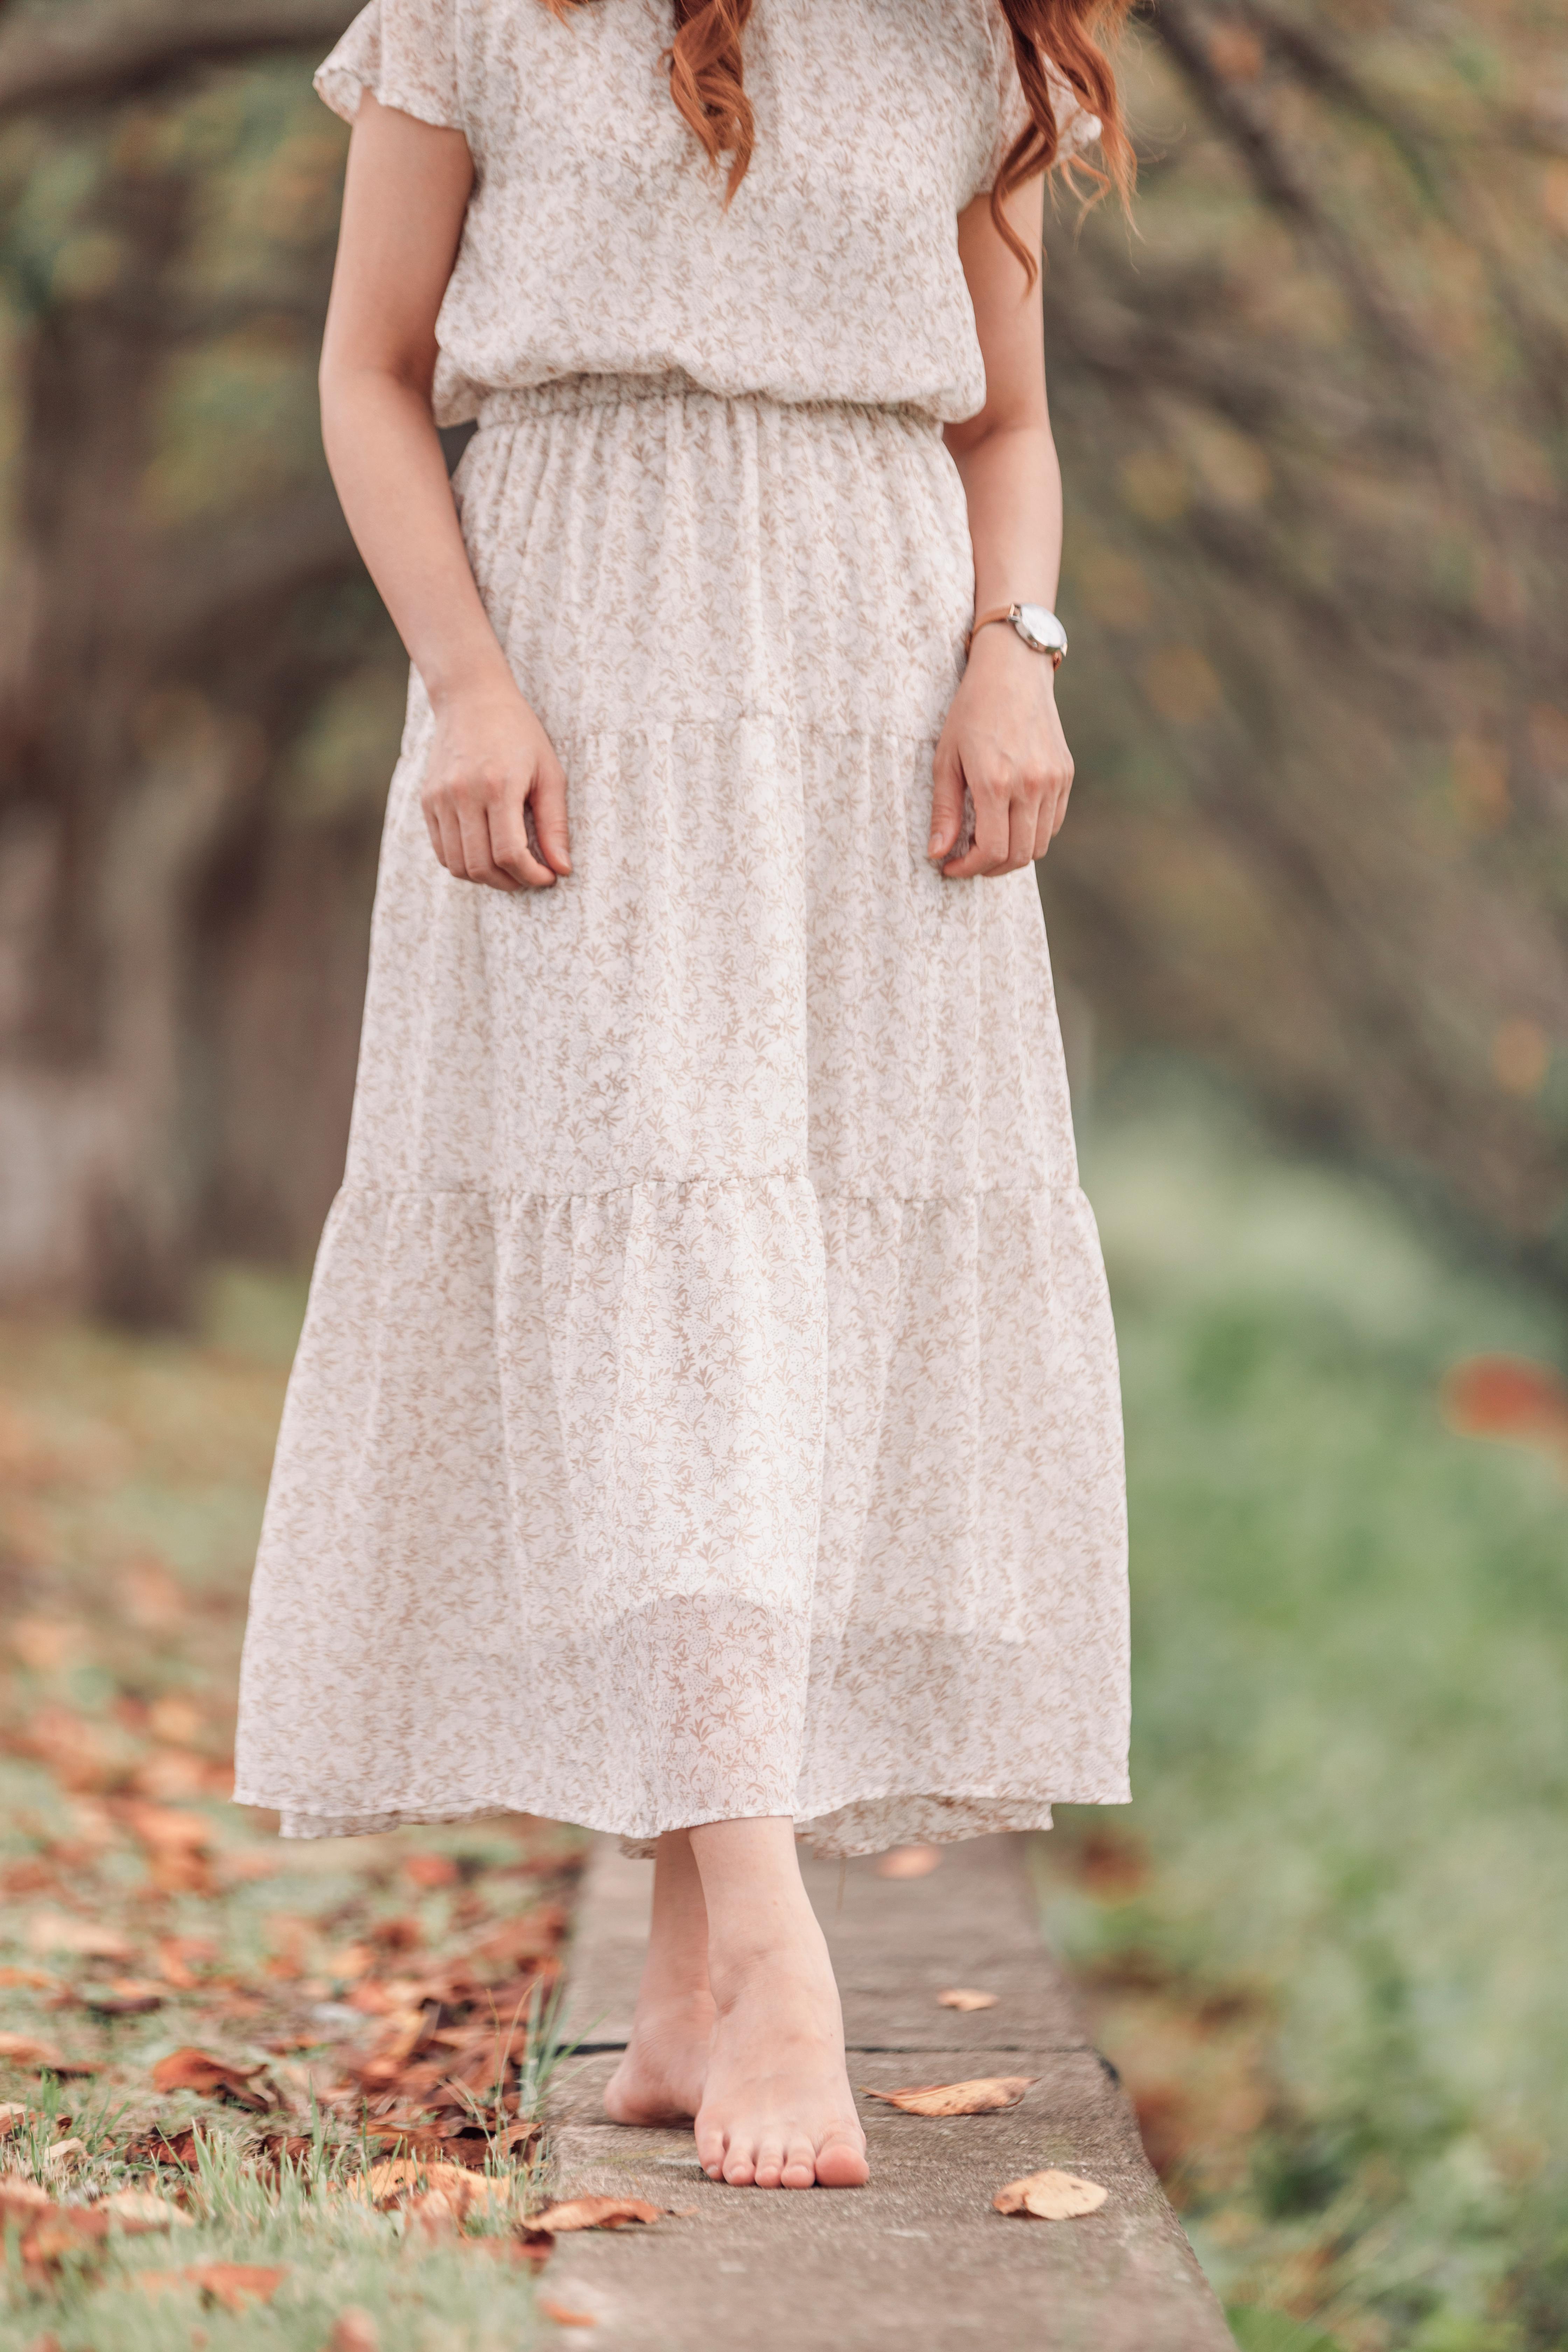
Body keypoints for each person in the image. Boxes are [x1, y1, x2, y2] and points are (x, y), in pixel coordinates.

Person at [235, 0, 1133, 2193]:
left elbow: (1005, 420)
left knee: (792, 1277)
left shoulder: (972, 38)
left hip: (872, 691)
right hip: (578, 660)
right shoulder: (481, 18)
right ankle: (780, 1946)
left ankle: (677, 1973)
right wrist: (466, 684)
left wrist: (1015, 648)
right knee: (665, 1263)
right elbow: (367, 369)